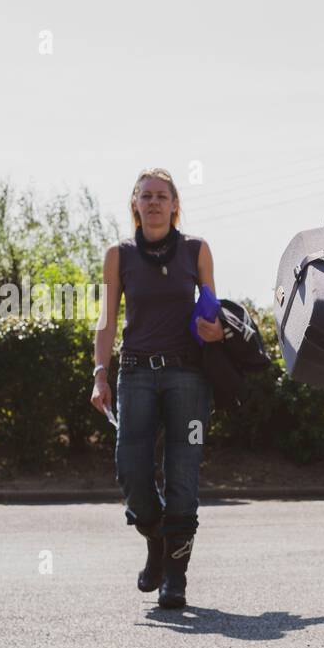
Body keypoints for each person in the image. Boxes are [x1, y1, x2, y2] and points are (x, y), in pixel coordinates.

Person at [90, 168, 224, 609]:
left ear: (174, 204)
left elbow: (212, 311)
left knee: (184, 474)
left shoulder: (196, 250)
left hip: (188, 375)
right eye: (145, 196)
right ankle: (156, 543)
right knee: (131, 468)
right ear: (134, 203)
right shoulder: (119, 255)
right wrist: (100, 374)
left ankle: (175, 579)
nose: (153, 202)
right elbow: (107, 320)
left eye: (161, 196)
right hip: (136, 374)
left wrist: (214, 330)